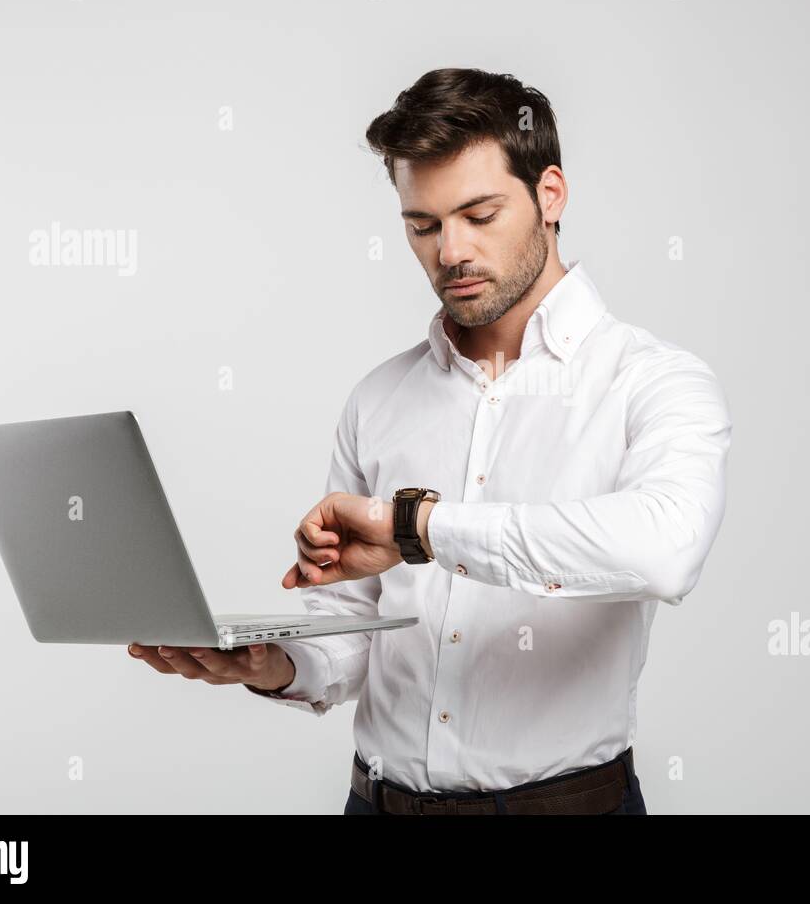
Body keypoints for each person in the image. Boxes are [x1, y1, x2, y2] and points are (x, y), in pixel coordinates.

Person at [130, 67, 732, 815]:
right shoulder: (380, 399)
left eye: (479, 215)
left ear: (550, 195)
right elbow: (350, 636)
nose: (450, 252)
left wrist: (416, 528)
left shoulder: (654, 381)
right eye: (423, 225)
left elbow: (663, 551)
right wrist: (273, 663)